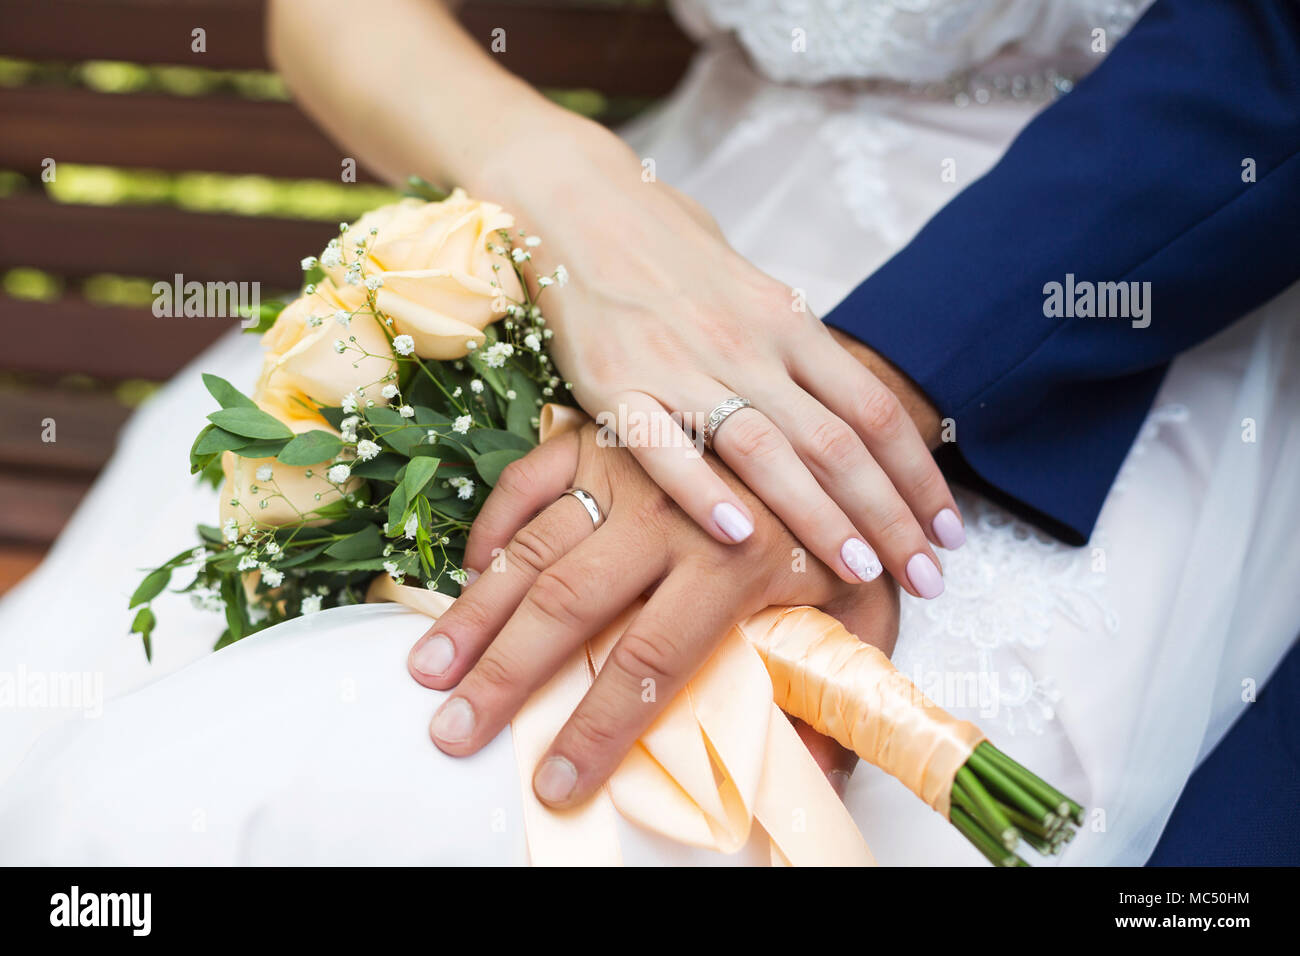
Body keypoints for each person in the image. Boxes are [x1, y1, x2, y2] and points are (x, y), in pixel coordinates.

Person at [0, 0, 1297, 865]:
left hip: (1104, 298)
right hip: (629, 219)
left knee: (229, 801)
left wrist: (840, 405)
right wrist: (570, 207)